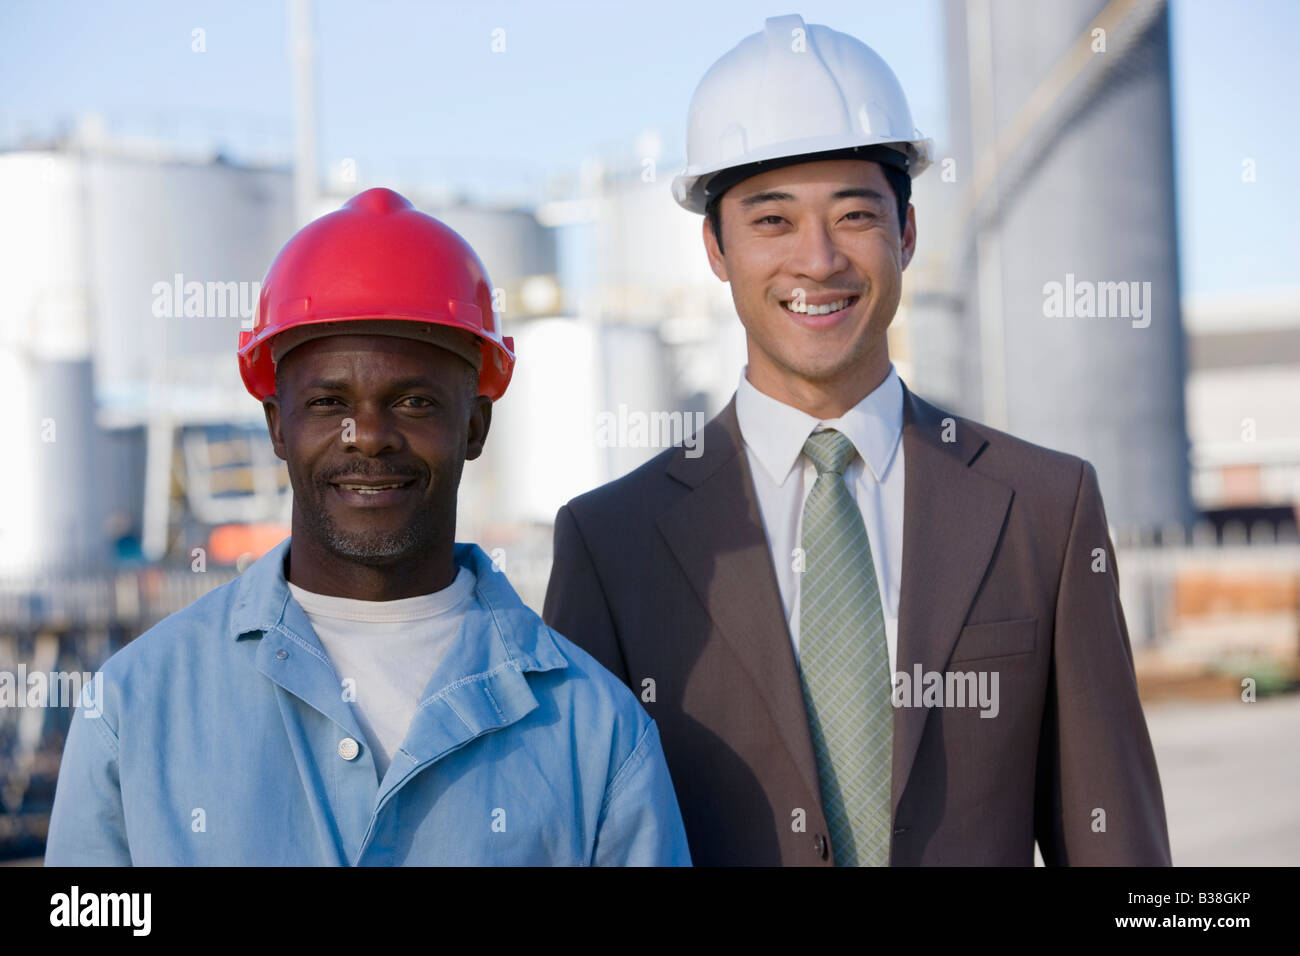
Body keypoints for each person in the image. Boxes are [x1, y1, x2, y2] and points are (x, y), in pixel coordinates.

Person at [543, 14, 1171, 866]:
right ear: (715, 248)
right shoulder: (612, 543)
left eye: (854, 215)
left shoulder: (1045, 511)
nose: (820, 260)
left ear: (906, 234)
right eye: (772, 222)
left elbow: (1116, 847)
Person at [45, 187, 690, 866]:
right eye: (329, 402)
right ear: (277, 427)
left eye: (413, 401)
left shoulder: (597, 734)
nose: (370, 436)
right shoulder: (133, 709)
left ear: (473, 427)